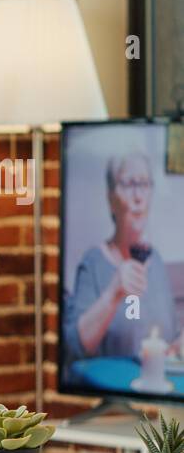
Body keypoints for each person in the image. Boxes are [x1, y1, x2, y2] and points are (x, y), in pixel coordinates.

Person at [64, 148, 182, 363]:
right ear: (111, 198)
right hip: (108, 381)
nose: (138, 197)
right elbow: (74, 348)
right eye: (128, 184)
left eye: (144, 184)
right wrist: (114, 293)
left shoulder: (155, 260)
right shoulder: (93, 263)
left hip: (156, 381)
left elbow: (170, 339)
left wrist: (179, 344)